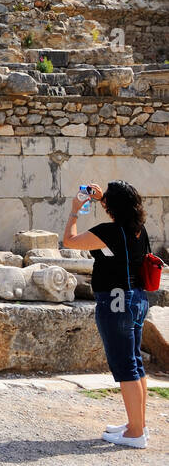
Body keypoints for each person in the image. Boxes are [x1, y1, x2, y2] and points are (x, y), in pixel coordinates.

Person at [63, 180, 156, 448]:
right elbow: (121, 215)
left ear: (113, 207)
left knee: (126, 367)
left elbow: (69, 240)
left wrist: (74, 211)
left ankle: (135, 434)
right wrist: (105, 198)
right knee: (135, 364)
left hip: (116, 303)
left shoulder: (108, 232)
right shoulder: (139, 229)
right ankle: (137, 424)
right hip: (137, 299)